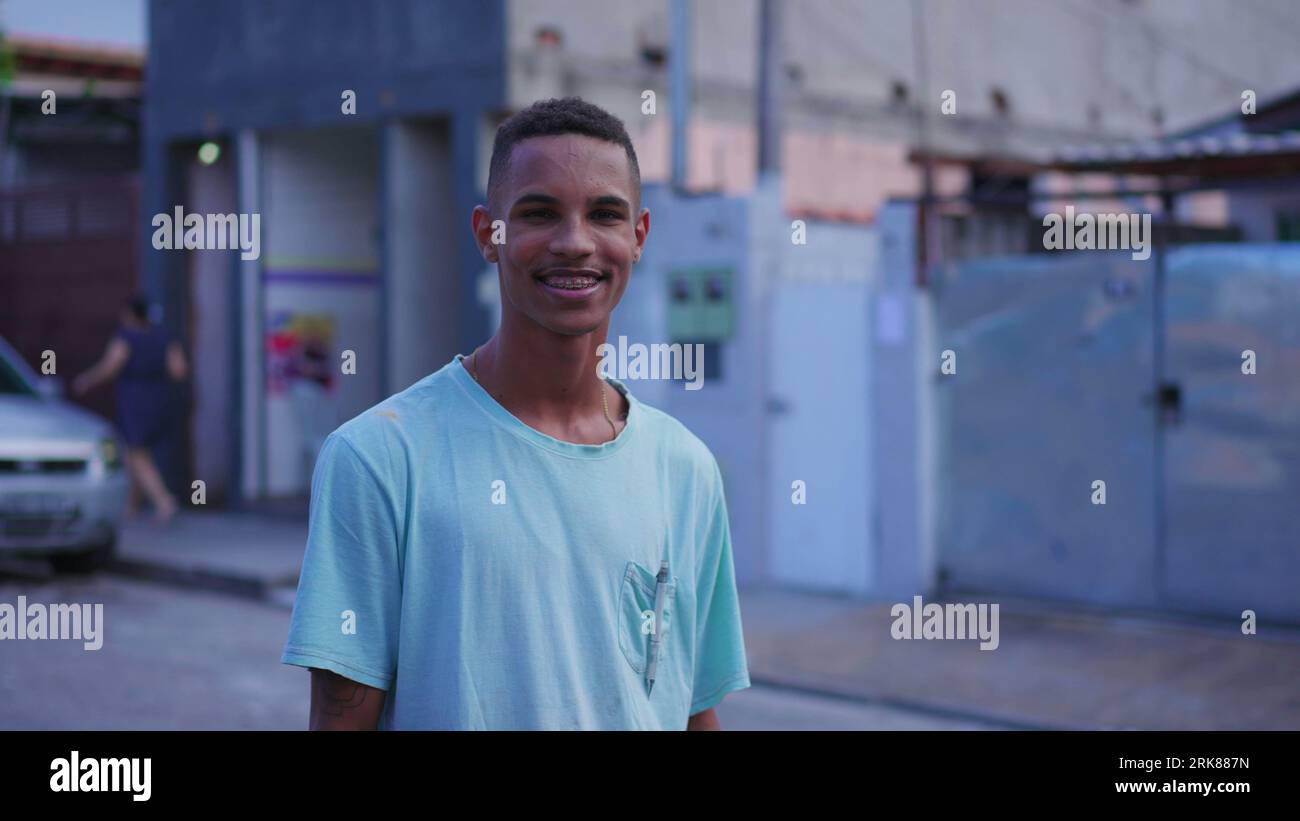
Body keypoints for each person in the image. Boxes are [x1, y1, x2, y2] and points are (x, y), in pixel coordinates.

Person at [281, 97, 750, 730]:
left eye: (605, 215)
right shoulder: (379, 458)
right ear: (488, 234)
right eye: (538, 213)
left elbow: (693, 710)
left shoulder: (686, 468)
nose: (575, 242)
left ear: (637, 237)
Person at [73, 294, 186, 523]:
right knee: (135, 451)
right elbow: (178, 370)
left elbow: (111, 366)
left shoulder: (126, 337)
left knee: (136, 452)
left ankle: (164, 501)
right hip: (160, 398)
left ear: (130, 314)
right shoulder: (164, 336)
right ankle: (131, 506)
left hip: (135, 399)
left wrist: (87, 380)